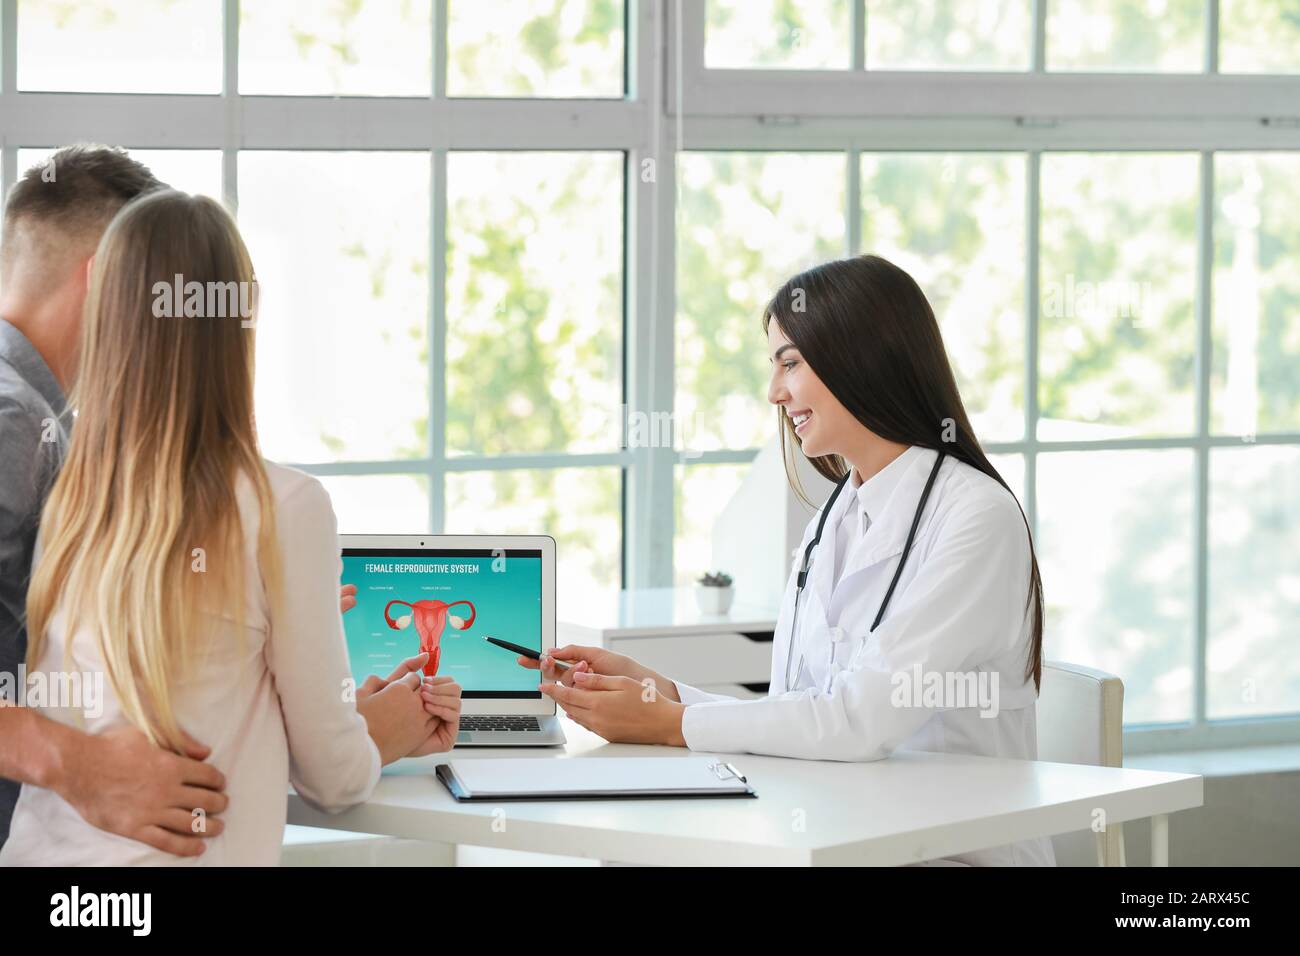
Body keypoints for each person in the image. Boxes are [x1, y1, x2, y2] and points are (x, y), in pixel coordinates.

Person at [522, 254, 1055, 866]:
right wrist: (656, 690)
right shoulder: (834, 521)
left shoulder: (974, 518)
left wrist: (670, 723)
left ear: (860, 358)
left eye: (790, 363)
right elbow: (798, 716)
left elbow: (861, 721)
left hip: (947, 855)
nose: (775, 393)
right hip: (835, 835)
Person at [0, 187, 460, 866]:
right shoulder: (285, 505)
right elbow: (333, 779)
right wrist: (381, 728)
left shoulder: (76, 494)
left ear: (109, 310)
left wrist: (274, 659)